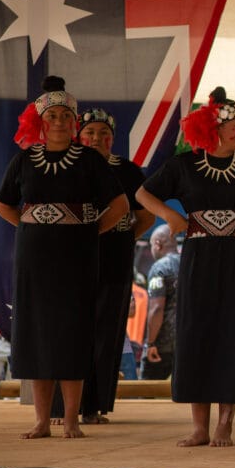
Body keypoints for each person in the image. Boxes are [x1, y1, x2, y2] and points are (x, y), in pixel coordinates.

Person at [136, 86, 235, 447]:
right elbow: (143, 193)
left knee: (233, 333)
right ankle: (199, 427)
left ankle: (225, 423)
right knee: (197, 333)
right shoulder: (185, 165)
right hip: (198, 258)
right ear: (214, 129)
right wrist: (169, 216)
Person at [0, 75, 129, 439]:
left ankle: (71, 419)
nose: (58, 121)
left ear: (74, 122)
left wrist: (89, 231)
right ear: (40, 120)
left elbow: (120, 205)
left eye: (65, 116)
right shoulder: (24, 159)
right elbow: (3, 204)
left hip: (77, 259)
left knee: (73, 332)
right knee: (36, 333)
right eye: (52, 116)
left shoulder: (89, 160)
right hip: (34, 260)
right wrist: (32, 225)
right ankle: (41, 421)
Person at [51, 107, 154, 424]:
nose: (96, 138)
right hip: (71, 259)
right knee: (68, 330)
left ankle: (93, 407)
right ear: (78, 136)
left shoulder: (128, 171)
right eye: (90, 133)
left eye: (103, 133)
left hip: (114, 260)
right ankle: (60, 408)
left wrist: (124, 238)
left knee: (106, 333)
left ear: (112, 138)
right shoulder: (66, 167)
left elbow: (146, 215)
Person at [141, 224, 180, 380]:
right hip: (188, 342)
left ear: (158, 244)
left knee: (147, 391)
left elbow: (156, 308)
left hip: (162, 345)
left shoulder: (159, 268)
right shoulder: (190, 264)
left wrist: (150, 343)